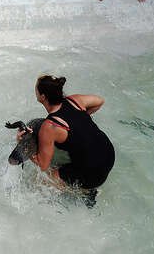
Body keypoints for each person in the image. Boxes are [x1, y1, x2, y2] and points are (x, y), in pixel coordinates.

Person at [23, 74, 114, 204]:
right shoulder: (75, 100)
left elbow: (43, 165)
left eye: (36, 88)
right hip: (108, 153)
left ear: (42, 97)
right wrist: (79, 120)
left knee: (39, 183)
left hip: (93, 171)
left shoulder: (49, 127)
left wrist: (25, 146)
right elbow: (100, 101)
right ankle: (84, 182)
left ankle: (86, 193)